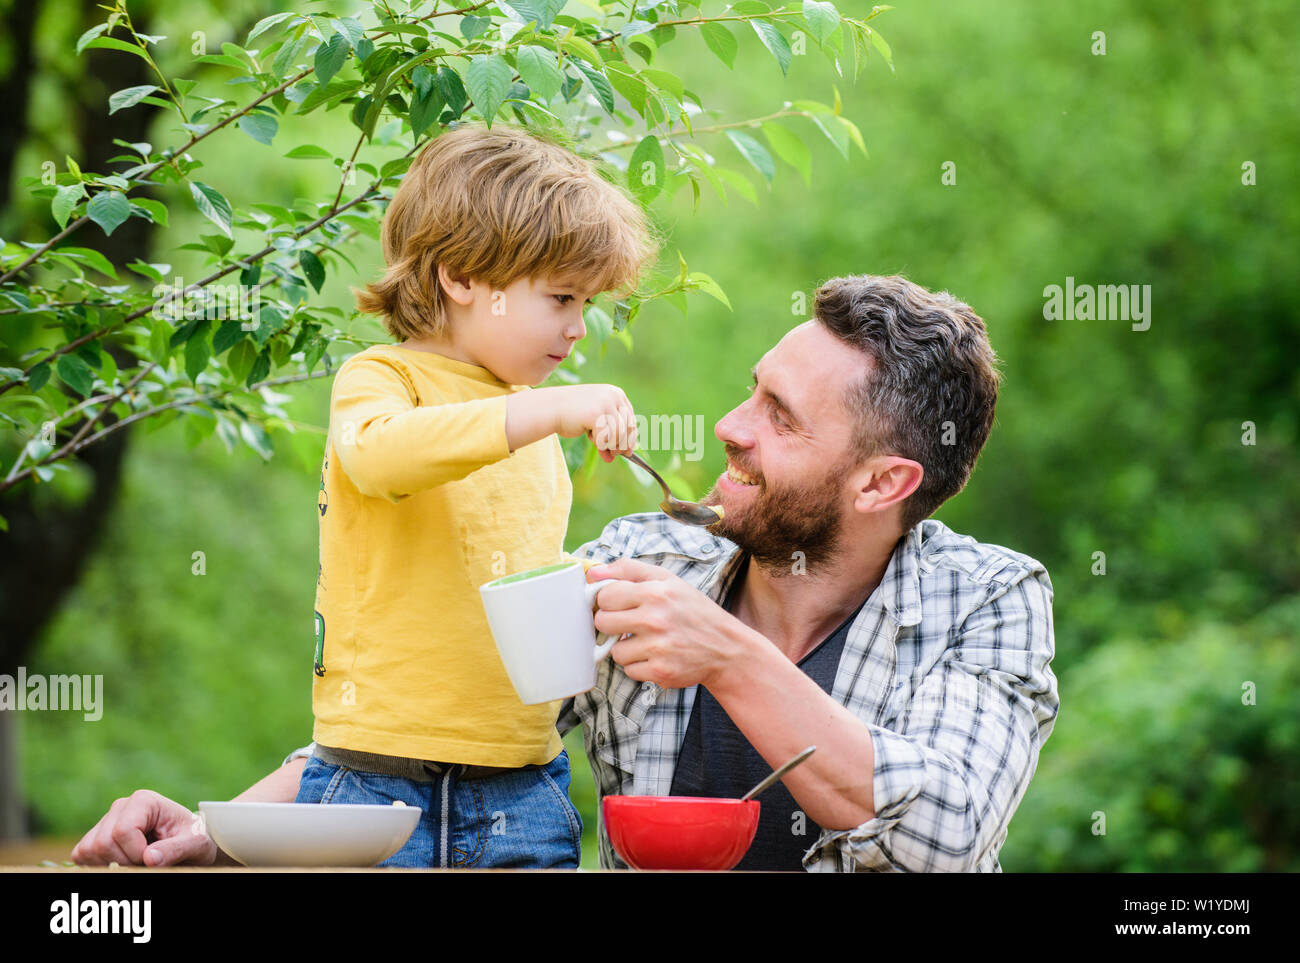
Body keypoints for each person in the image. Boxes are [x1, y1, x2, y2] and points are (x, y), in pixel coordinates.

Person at [73, 274, 1058, 872]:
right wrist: (222, 833)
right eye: (753, 390)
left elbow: (945, 837)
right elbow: (441, 725)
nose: (730, 425)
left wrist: (727, 660)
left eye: (781, 417)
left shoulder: (985, 600)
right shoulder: (645, 562)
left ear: (884, 482)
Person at [289, 121, 653, 868]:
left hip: (519, 782)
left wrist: (582, 593)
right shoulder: (382, 379)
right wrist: (547, 410)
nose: (578, 328)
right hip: (374, 779)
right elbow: (383, 457)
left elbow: (502, 579)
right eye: (560, 297)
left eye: (585, 304)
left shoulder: (529, 422)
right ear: (461, 277)